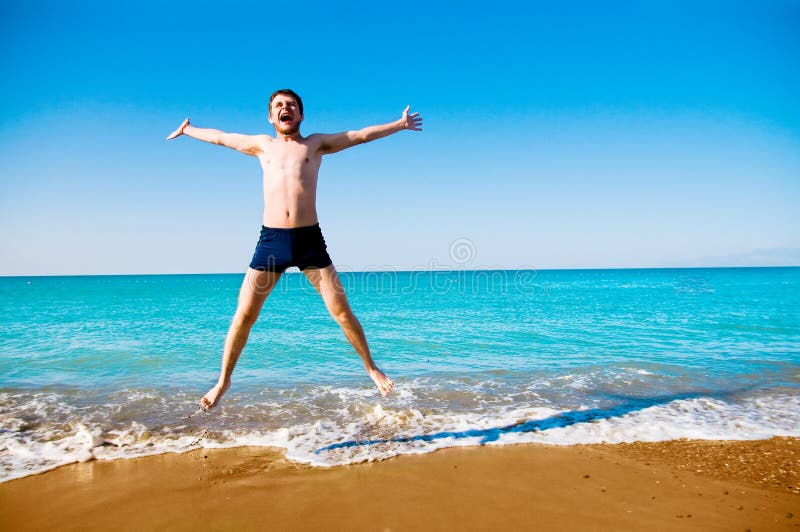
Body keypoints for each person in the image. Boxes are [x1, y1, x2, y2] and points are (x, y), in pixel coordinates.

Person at [166, 89, 423, 410]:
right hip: (272, 243)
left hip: (309, 242)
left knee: (342, 312)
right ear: (271, 117)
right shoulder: (262, 145)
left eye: (291, 105)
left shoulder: (314, 144)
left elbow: (358, 135)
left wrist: (398, 125)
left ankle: (371, 368)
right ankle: (223, 381)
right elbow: (222, 137)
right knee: (244, 315)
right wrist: (189, 130)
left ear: (300, 115)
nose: (285, 109)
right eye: (278, 106)